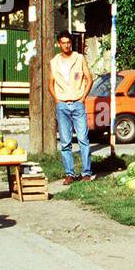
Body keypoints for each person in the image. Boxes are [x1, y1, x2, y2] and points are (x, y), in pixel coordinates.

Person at [49, 32, 94, 184]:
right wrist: (57, 100)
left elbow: (89, 79)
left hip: (78, 104)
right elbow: (50, 84)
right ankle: (70, 174)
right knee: (65, 141)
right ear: (59, 44)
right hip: (62, 105)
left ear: (71, 43)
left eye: (68, 42)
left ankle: (86, 173)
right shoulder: (54, 61)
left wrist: (82, 98)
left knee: (83, 139)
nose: (66, 45)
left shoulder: (79, 58)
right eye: (63, 42)